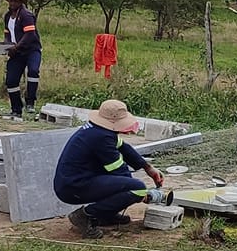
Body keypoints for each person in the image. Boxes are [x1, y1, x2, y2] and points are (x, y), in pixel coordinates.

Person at [52, 99, 166, 237]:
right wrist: (140, 194)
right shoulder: (102, 138)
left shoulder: (98, 130)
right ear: (114, 122)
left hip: (75, 181)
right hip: (74, 187)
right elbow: (121, 173)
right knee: (137, 188)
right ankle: (86, 216)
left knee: (132, 188)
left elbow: (124, 148)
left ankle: (105, 215)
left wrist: (148, 167)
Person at [2, 0, 41, 119]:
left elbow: (29, 35)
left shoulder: (26, 16)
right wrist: (8, 46)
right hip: (16, 52)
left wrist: (16, 47)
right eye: (11, 0)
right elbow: (7, 34)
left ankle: (30, 101)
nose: (13, 3)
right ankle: (16, 109)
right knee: (11, 80)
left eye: (16, 0)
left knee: (33, 71)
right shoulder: (7, 16)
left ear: (21, 2)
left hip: (31, 50)